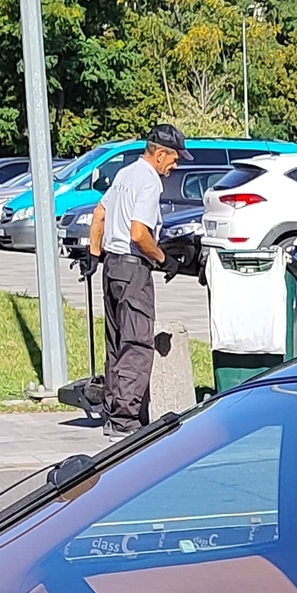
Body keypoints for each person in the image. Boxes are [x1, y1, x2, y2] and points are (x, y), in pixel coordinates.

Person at [87, 123, 183, 435]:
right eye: (174, 158)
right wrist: (163, 259)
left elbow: (99, 214)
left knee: (116, 343)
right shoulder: (149, 181)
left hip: (111, 266)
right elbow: (139, 233)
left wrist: (93, 253)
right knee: (137, 344)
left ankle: (112, 413)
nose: (175, 165)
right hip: (133, 270)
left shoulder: (125, 174)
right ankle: (125, 421)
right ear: (160, 154)